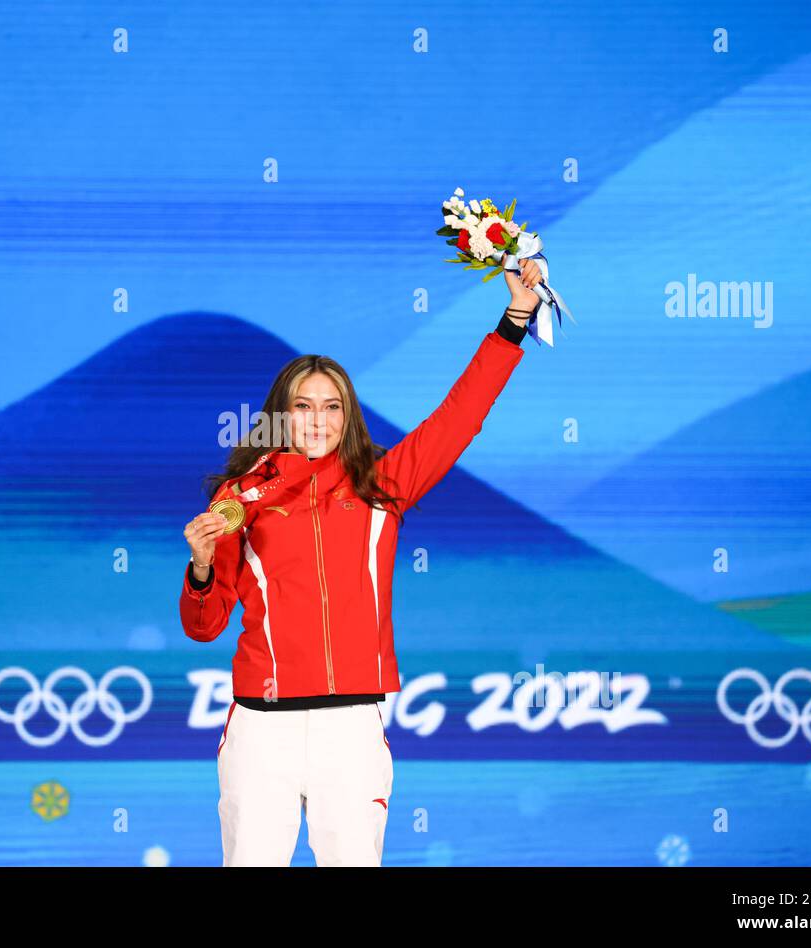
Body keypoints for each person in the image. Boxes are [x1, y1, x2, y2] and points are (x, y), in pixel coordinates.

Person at [180, 260, 544, 866]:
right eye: (303, 406)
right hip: (259, 730)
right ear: (281, 414)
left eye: (331, 406)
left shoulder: (384, 484)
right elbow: (204, 624)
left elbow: (458, 419)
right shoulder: (240, 498)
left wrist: (514, 321)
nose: (317, 420)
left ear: (347, 416)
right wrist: (199, 568)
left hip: (349, 729)